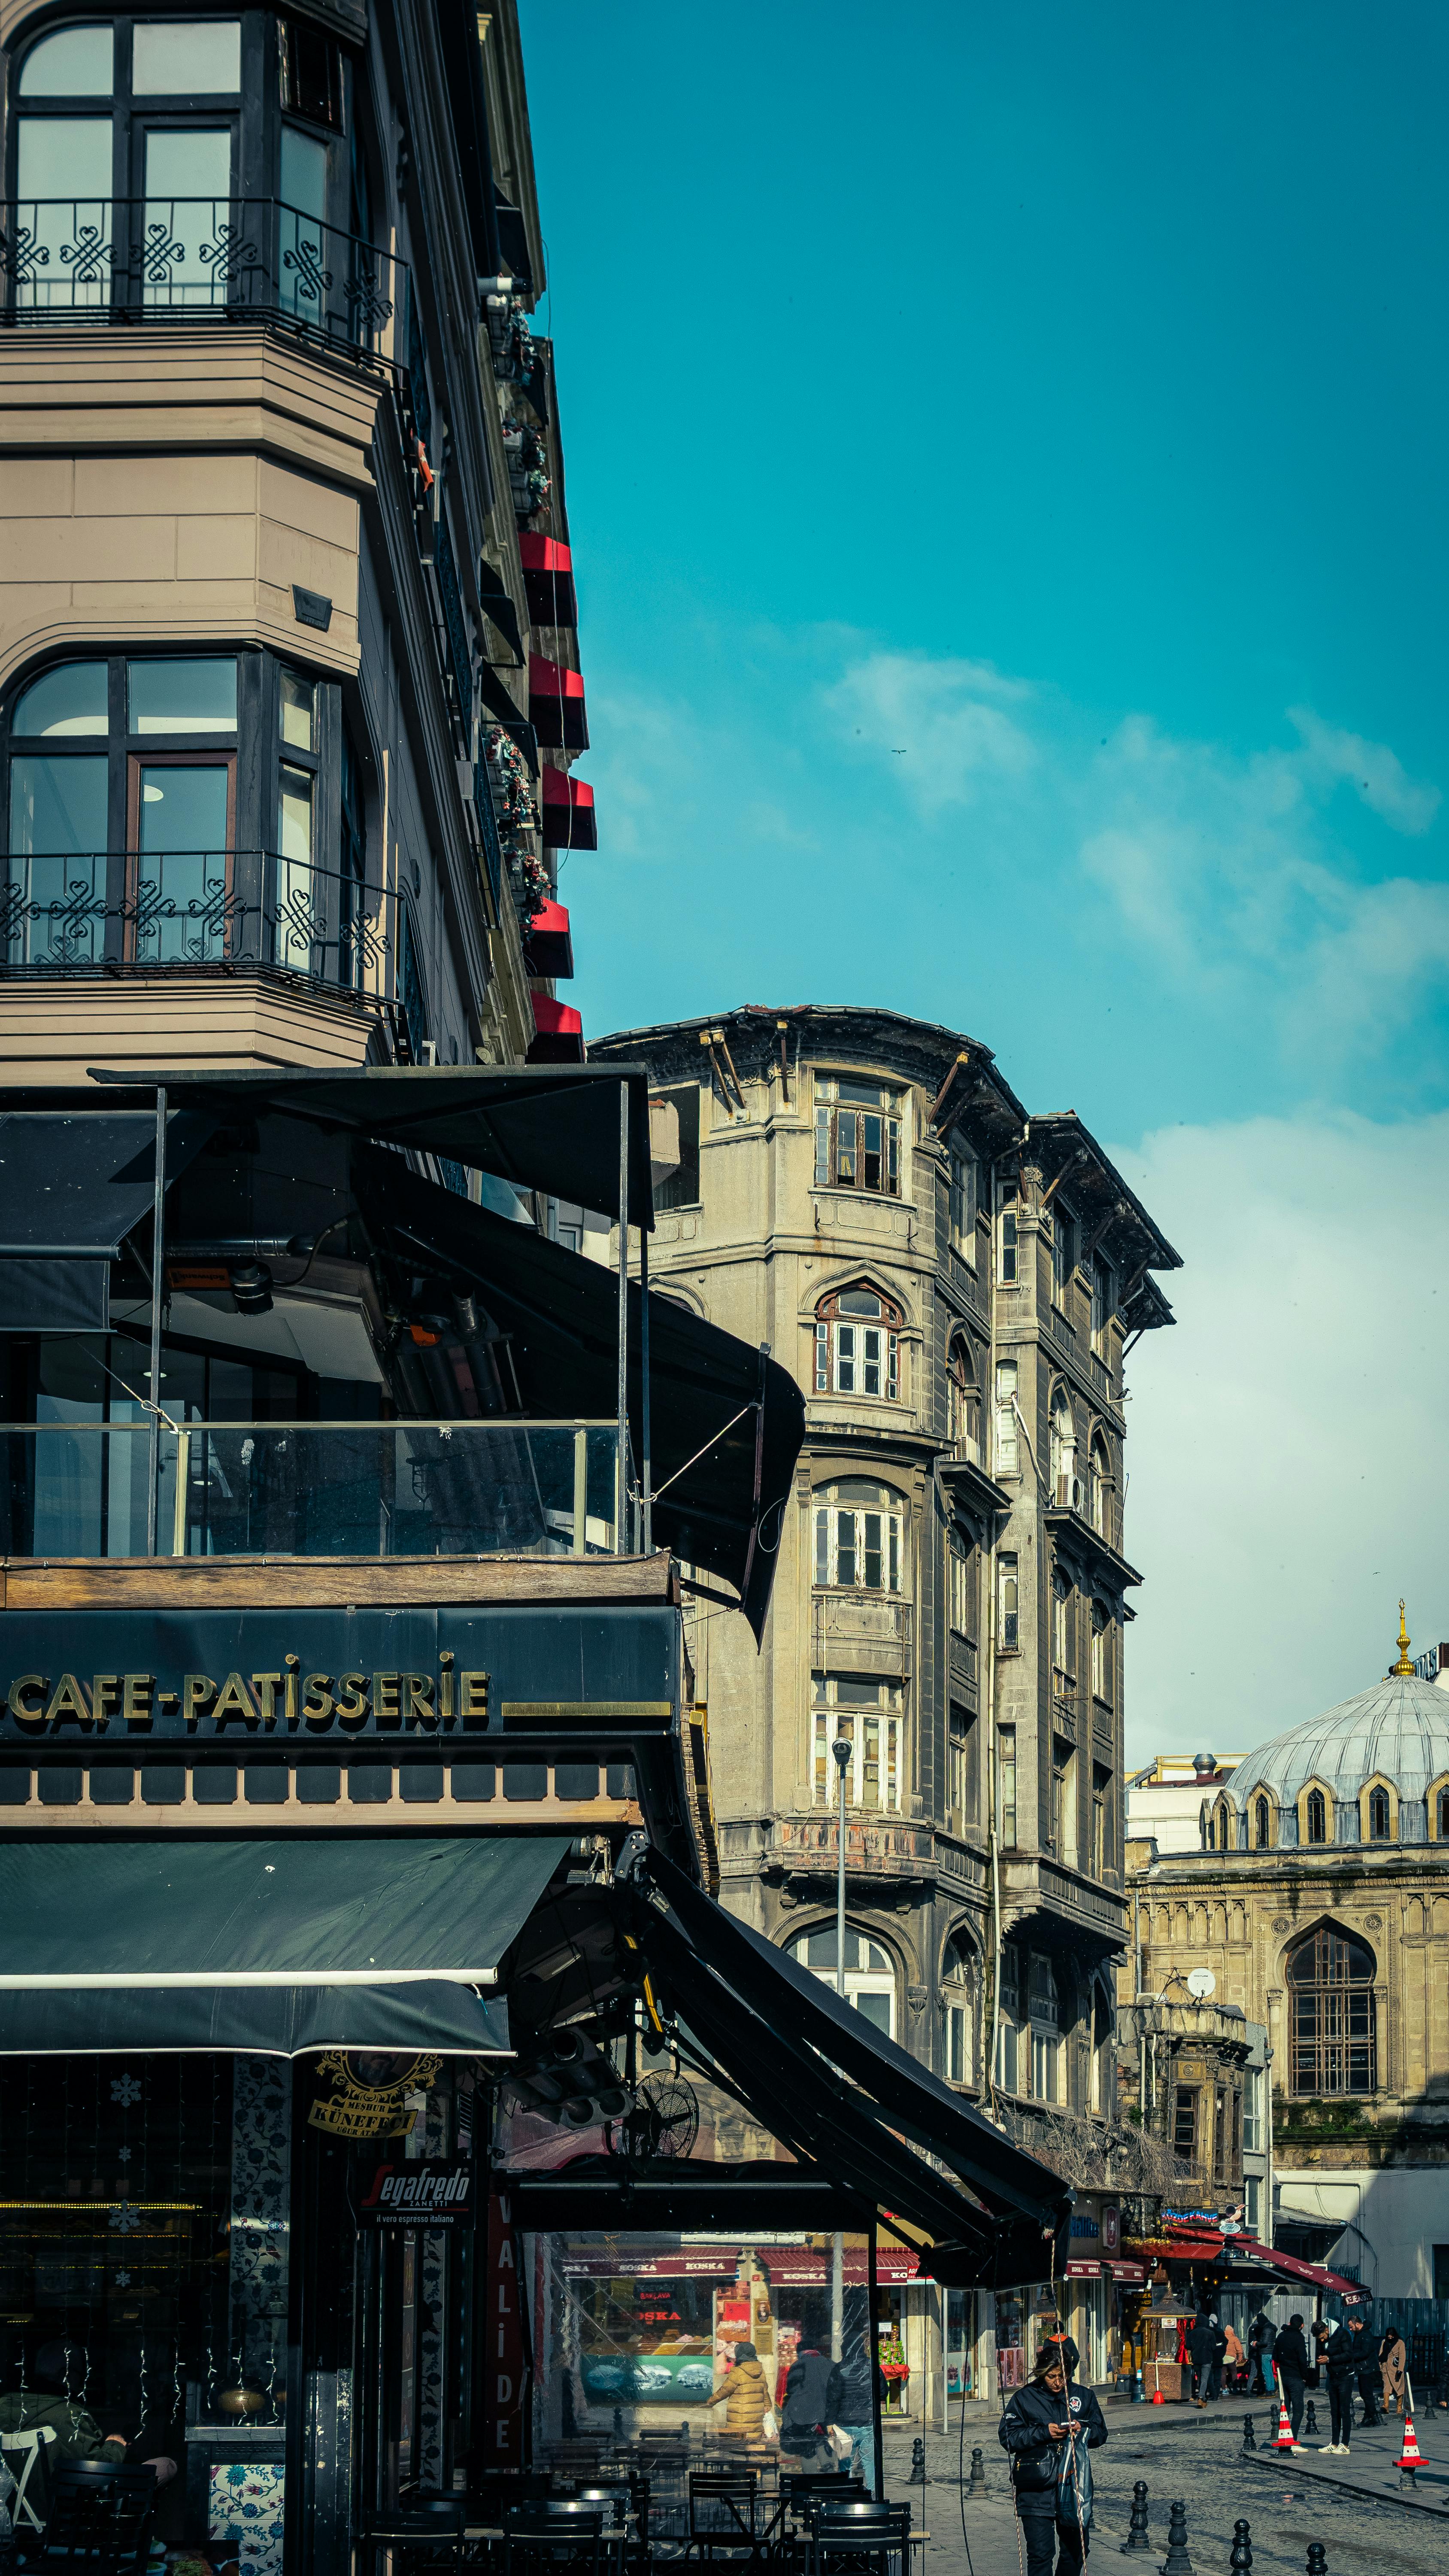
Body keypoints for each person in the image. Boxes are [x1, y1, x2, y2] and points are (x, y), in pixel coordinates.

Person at [998, 2340, 1108, 2576]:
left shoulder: (1084, 2396)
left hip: (1072, 2487)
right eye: (1052, 2376)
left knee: (1078, 2551)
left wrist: (1083, 2428)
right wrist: (1043, 2432)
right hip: (1036, 2489)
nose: (1058, 2382)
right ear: (1041, 2373)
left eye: (1063, 2376)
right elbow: (1008, 2437)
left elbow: (1101, 2433)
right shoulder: (1024, 2398)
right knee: (1040, 2554)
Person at [824, 2344, 879, 2492]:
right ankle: (872, 2494)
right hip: (866, 2422)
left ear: (844, 2351)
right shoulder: (872, 2366)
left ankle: (846, 2493)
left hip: (845, 2425)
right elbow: (883, 2391)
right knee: (869, 2462)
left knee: (845, 2462)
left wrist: (829, 2422)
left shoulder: (839, 2369)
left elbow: (833, 2398)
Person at [779, 2344, 833, 2469]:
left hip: (803, 2413)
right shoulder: (830, 2364)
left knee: (806, 2445)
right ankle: (827, 2466)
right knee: (821, 2438)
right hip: (824, 2411)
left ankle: (809, 2477)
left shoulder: (798, 2365)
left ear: (801, 2352)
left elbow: (791, 2389)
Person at [706, 2340, 773, 2438]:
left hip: (739, 2420)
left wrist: (710, 2402)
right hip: (756, 2421)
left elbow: (725, 2391)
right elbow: (765, 2392)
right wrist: (767, 2406)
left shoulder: (738, 2372)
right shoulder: (761, 2371)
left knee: (740, 2440)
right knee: (752, 2439)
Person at [1313, 2318, 1355, 2454]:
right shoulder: (1324, 2339)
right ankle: (1335, 2442)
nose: (1322, 2340)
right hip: (1333, 2376)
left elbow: (1349, 2354)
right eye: (1319, 2339)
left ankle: (1346, 2444)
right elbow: (1323, 2351)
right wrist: (1321, 2358)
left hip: (1345, 2375)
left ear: (1327, 2330)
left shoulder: (1342, 2334)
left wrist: (1330, 2359)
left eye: (1323, 2337)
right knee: (1334, 2411)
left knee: (1344, 2410)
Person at [1273, 2314, 1310, 2450]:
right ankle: (1292, 2440)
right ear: (1301, 2325)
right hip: (1296, 2377)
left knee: (1285, 2410)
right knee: (1299, 2409)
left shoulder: (1281, 2336)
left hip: (1283, 2376)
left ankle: (1283, 2438)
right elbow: (1302, 2359)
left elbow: (1275, 2356)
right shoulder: (1299, 2338)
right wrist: (1305, 2376)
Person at [1345, 2315, 1377, 2426]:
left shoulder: (1365, 2335)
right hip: (1363, 2369)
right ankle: (1371, 2416)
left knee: (1367, 2394)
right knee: (1365, 2394)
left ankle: (1372, 2417)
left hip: (1367, 2369)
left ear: (1357, 2325)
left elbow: (1365, 2352)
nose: (1351, 2329)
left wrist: (1351, 2356)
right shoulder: (1360, 2335)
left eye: (1351, 2327)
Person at [1187, 2311, 1216, 2407]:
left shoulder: (1192, 2333)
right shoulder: (1210, 2333)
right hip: (1207, 2358)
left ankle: (1202, 2397)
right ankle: (1201, 2397)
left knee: (1199, 2378)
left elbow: (1188, 2346)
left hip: (1196, 2359)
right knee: (1204, 2379)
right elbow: (1214, 2347)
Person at [1379, 2322, 1406, 2418]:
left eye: (1391, 2336)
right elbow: (1381, 2354)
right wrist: (1380, 2366)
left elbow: (1402, 2357)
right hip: (1386, 2368)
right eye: (1388, 2336)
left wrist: (1400, 2370)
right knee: (1387, 2387)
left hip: (1395, 2369)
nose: (1390, 2337)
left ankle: (1399, 2408)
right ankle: (1386, 2406)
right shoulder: (1384, 2342)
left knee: (1399, 2388)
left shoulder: (1400, 2343)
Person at [1248, 2311, 1277, 2397]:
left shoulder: (1267, 2329)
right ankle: (1272, 2388)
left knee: (1266, 2372)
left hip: (1265, 2353)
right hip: (1271, 2352)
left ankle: (1269, 2390)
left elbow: (1265, 2343)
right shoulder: (1271, 2328)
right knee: (1270, 2372)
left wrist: (1256, 2343)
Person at [1205, 2316, 1228, 2401]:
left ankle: (1213, 2394)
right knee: (1217, 2378)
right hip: (1218, 2359)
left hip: (1211, 2358)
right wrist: (1222, 2354)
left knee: (1210, 2378)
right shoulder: (1220, 2332)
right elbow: (1225, 2343)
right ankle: (1216, 2394)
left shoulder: (1209, 2332)